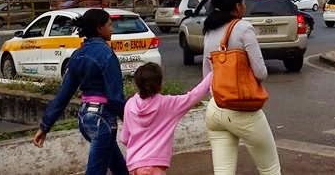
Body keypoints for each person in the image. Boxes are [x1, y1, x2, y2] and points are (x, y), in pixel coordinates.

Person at [33, 9, 127, 175]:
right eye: (109, 25)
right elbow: (115, 96)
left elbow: (63, 94)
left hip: (85, 118)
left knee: (118, 167)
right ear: (99, 28)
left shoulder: (77, 55)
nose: (112, 29)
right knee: (96, 170)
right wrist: (131, 121)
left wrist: (45, 126)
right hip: (102, 120)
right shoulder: (107, 54)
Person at [202, 0, 281, 175]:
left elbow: (207, 75)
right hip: (243, 110)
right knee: (270, 168)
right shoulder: (243, 27)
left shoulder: (209, 30)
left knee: (223, 171)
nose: (245, 6)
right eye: (243, 2)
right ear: (237, 6)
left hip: (215, 109)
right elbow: (261, 72)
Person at [120, 63, 213, 174]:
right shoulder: (167, 104)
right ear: (159, 83)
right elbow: (193, 96)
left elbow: (124, 138)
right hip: (156, 166)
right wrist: (213, 73)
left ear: (137, 84)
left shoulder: (130, 104)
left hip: (135, 166)